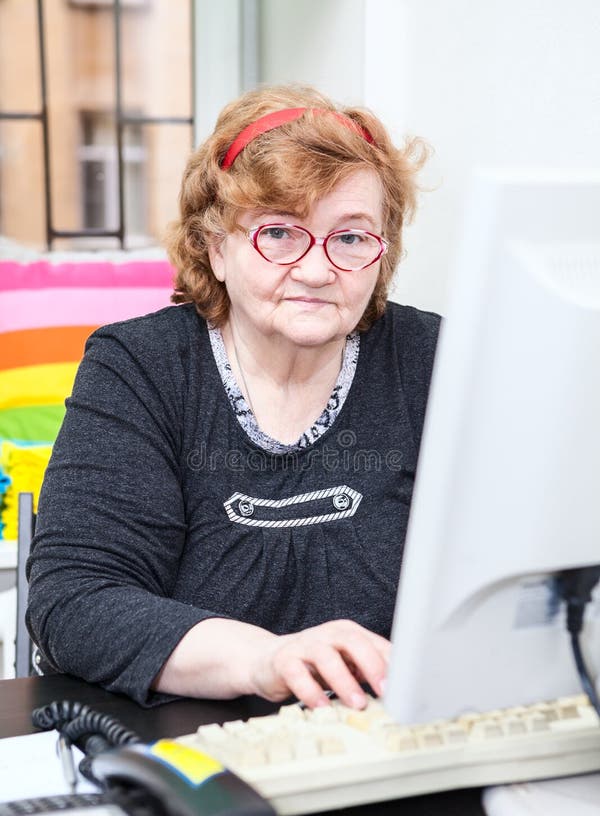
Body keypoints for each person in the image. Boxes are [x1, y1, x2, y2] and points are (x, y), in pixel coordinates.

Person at [27, 84, 440, 710]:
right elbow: (76, 600)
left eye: (352, 238)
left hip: (394, 733)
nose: (317, 269)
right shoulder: (140, 367)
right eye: (279, 232)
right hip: (193, 744)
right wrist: (265, 659)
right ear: (216, 247)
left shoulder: (433, 357)